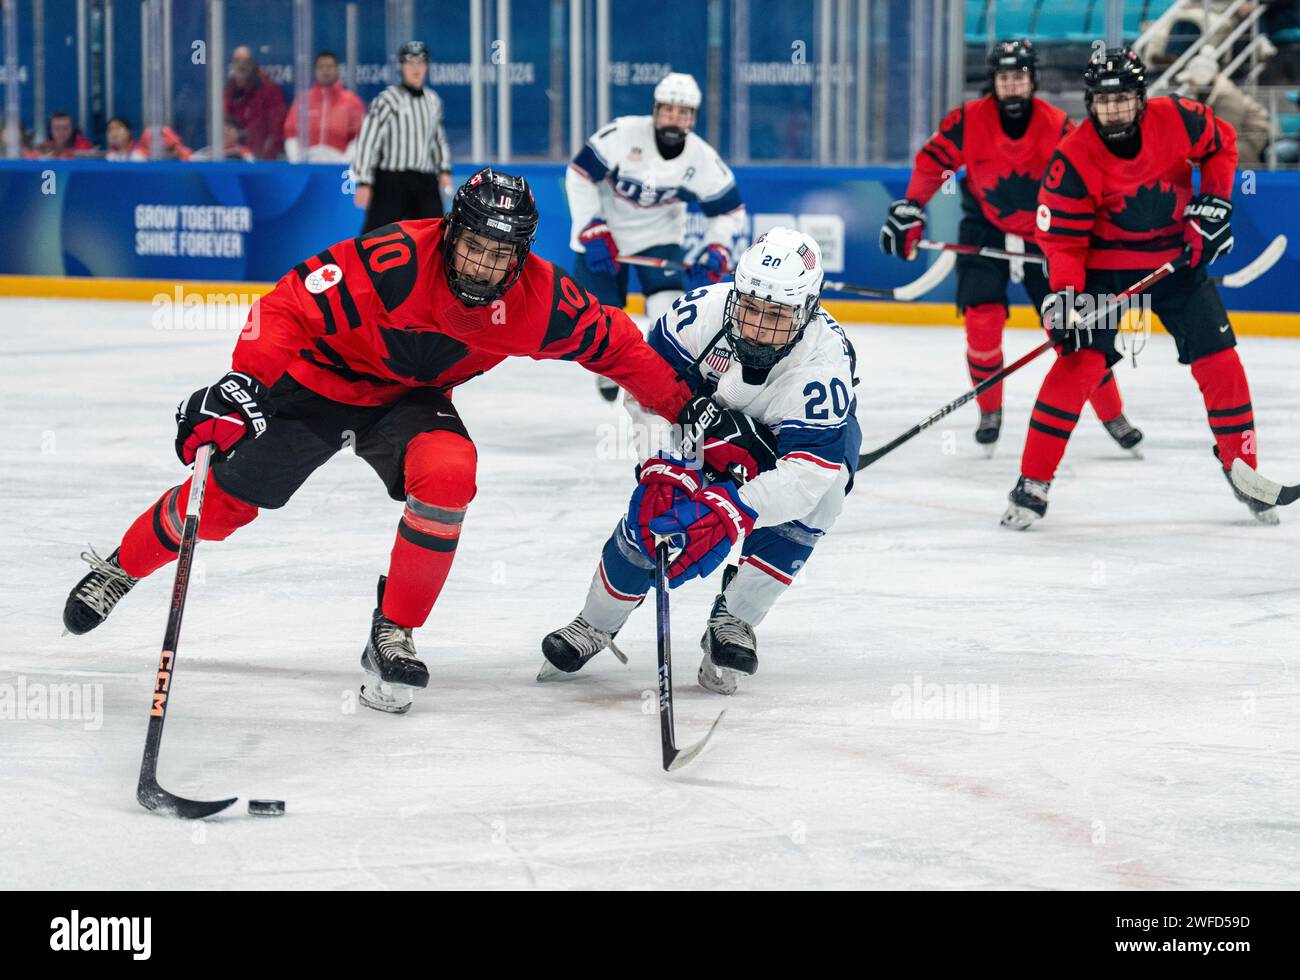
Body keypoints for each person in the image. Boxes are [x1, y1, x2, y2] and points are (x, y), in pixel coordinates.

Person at [61, 168, 707, 715]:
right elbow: (289, 303)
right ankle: (120, 566)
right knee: (224, 505)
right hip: (318, 382)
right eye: (474, 246)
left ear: (522, 255)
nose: (484, 264)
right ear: (451, 232)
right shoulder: (394, 260)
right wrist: (245, 382)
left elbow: (619, 344)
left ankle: (392, 630)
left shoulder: (541, 300)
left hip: (407, 402)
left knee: (451, 471)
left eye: (501, 254)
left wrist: (688, 409)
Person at [541, 228, 860, 696]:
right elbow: (647, 391)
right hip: (701, 430)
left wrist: (733, 509)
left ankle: (734, 618)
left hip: (783, 449)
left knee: (823, 499)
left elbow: (807, 473)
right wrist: (661, 463)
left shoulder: (822, 365)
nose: (756, 326)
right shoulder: (697, 315)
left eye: (776, 314)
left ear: (808, 308)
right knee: (655, 513)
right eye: (750, 307)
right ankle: (595, 624)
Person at [1003, 47, 1277, 528]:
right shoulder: (1074, 156)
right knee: (1077, 365)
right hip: (1103, 273)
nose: (1112, 110)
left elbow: (1223, 143)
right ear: (1090, 103)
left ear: (1141, 97)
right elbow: (1063, 242)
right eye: (1101, 101)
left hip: (1177, 262)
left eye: (1121, 98)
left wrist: (1214, 203)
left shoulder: (1180, 118)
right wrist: (1065, 297)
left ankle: (1243, 469)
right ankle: (1033, 482)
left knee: (1221, 361)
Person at [881, 39, 1142, 457]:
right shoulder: (968, 120)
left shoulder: (1058, 125)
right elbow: (934, 161)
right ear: (993, 82)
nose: (1013, 85)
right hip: (985, 226)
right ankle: (990, 411)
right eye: (1005, 77)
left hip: (1049, 233)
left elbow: (1087, 178)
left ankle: (1113, 414)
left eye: (1019, 76)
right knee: (982, 323)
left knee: (1072, 329)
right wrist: (912, 206)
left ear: (1032, 79)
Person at [565, 71, 746, 402]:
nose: (674, 118)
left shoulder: (703, 159)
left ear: (693, 117)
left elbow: (730, 212)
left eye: (683, 112)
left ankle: (660, 374)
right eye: (668, 110)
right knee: (601, 317)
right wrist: (591, 226)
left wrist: (717, 248)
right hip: (605, 235)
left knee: (667, 309)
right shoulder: (623, 133)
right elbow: (579, 175)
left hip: (658, 236)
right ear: (655, 109)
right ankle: (609, 368)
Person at [352, 41, 453, 233]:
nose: (416, 68)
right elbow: (368, 140)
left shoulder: (433, 100)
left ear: (427, 66)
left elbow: (437, 139)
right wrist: (364, 181)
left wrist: (444, 170)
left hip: (425, 179)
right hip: (392, 180)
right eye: (410, 63)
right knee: (376, 235)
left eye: (421, 63)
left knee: (436, 232)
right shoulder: (388, 99)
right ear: (401, 67)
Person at [1178, 49, 1277, 165]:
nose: (1189, 87)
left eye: (1191, 82)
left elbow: (1223, 137)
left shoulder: (1227, 97)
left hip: (1250, 143)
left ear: (1201, 81)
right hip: (1237, 141)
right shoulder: (1210, 95)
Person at [284, 50, 366, 163]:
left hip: (339, 164)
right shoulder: (303, 100)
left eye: (329, 66)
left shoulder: (352, 101)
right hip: (306, 164)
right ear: (315, 70)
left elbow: (359, 136)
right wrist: (297, 161)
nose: (325, 70)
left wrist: (345, 162)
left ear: (337, 70)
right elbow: (291, 133)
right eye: (321, 67)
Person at [224, 46, 287, 160]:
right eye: (237, 61)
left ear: (252, 63)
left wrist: (265, 157)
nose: (241, 65)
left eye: (245, 61)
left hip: (262, 160)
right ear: (232, 64)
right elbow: (224, 125)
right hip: (235, 158)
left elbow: (276, 130)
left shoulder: (269, 91)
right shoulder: (229, 90)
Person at [103, 117, 192, 162]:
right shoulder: (108, 157)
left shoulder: (142, 152)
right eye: (110, 130)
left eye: (118, 128)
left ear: (128, 131)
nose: (114, 133)